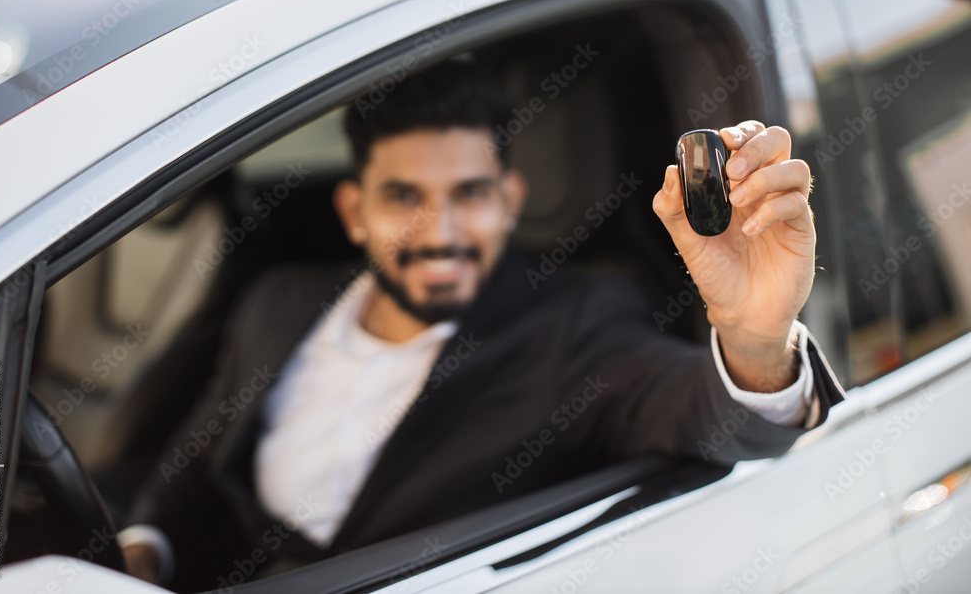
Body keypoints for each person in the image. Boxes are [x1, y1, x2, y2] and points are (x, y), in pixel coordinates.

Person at [120, 61, 845, 589]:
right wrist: (144, 546)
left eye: (469, 194)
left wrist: (753, 332)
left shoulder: (578, 325)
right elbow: (196, 465)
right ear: (353, 210)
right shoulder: (275, 302)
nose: (439, 231)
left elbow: (707, 417)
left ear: (508, 200)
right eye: (404, 196)